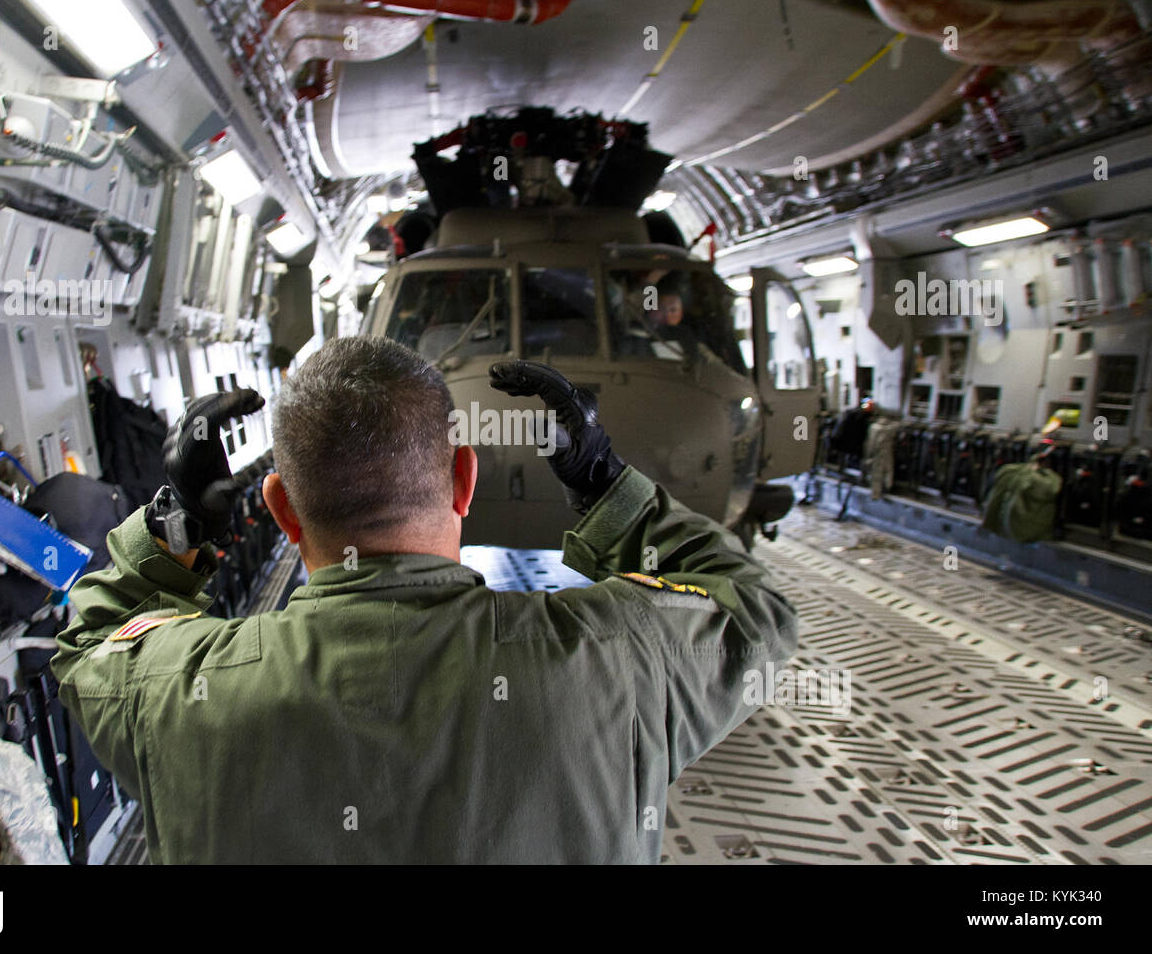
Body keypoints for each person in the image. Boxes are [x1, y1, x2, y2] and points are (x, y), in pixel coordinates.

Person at [51, 336, 798, 863]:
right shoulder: (620, 657)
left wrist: (178, 521)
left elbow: (90, 641)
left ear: (280, 509)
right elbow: (757, 611)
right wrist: (606, 486)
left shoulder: (174, 691)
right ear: (464, 480)